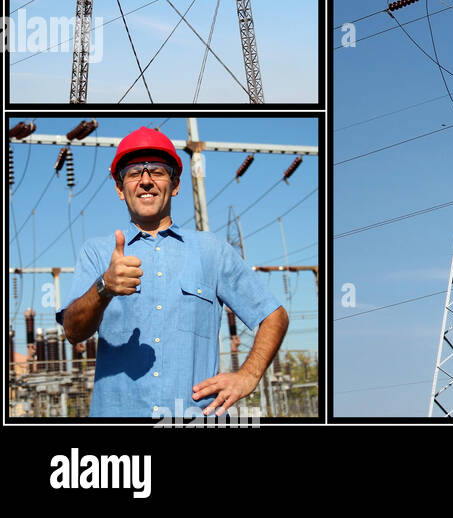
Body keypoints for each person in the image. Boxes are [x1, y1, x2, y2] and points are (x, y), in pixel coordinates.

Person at [57, 126, 290, 418]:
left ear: (176, 184)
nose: (145, 181)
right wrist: (104, 287)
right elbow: (73, 331)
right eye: (133, 173)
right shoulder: (98, 253)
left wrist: (248, 375)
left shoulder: (211, 251)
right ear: (120, 189)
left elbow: (273, 315)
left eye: (156, 171)